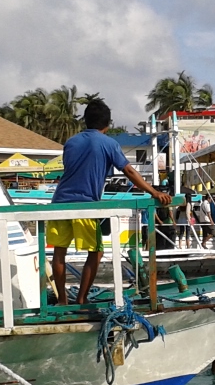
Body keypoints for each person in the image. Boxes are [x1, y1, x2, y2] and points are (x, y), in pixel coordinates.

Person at [48, 100, 170, 305]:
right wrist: (153, 192)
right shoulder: (109, 143)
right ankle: (81, 299)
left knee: (59, 253)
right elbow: (129, 171)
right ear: (107, 124)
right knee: (96, 252)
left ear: (85, 121)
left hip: (60, 202)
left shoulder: (71, 142)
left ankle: (62, 300)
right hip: (85, 204)